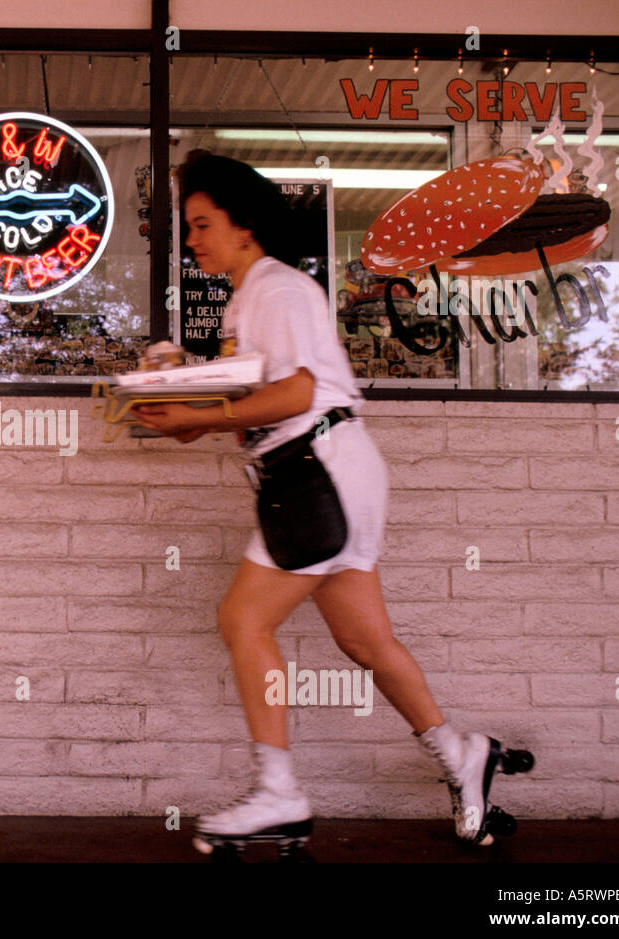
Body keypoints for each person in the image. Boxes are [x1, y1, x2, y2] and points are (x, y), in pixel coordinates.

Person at [131, 150, 529, 849]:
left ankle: (279, 792)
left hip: (319, 474)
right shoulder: (248, 294)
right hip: (321, 475)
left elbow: (299, 392)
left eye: (199, 224)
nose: (190, 240)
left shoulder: (277, 290)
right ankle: (462, 754)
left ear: (243, 223)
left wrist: (205, 412)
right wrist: (180, 412)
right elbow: (249, 405)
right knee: (366, 640)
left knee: (242, 621)